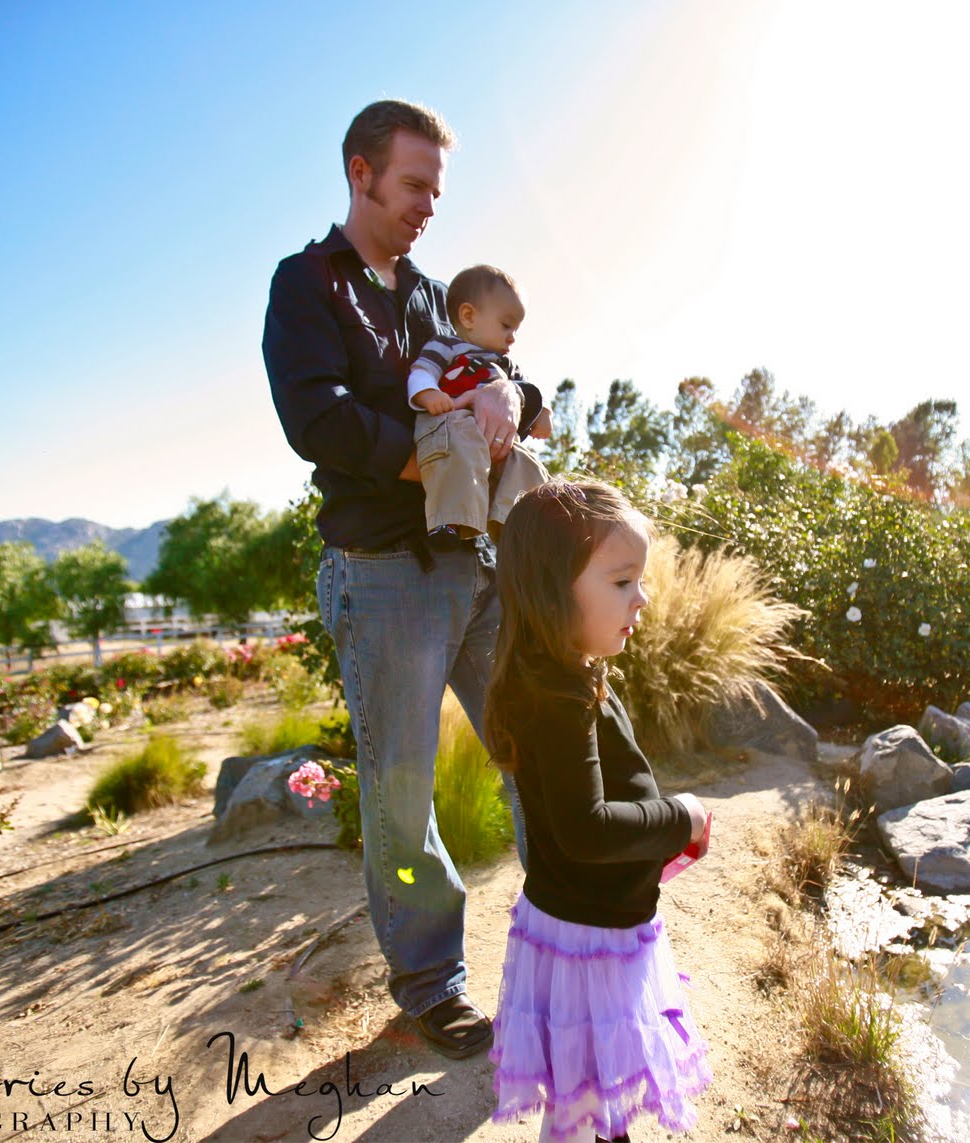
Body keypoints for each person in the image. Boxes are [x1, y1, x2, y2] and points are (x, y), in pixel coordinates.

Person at [261, 99, 545, 1060]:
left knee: (538, 743)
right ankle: (433, 985)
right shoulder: (304, 284)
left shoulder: (434, 295)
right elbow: (315, 416)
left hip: (477, 567)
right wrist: (420, 462)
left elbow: (498, 367)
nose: (428, 204)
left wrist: (517, 394)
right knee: (402, 795)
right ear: (360, 172)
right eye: (415, 184)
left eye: (437, 189)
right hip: (382, 573)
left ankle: (570, 938)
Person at [482, 480, 715, 1143]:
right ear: (554, 589)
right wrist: (683, 816)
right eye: (621, 581)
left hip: (586, 918)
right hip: (590, 937)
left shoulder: (565, 670)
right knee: (580, 1104)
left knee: (588, 1097)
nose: (641, 596)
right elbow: (585, 829)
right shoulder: (557, 694)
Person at [406, 263, 554, 545]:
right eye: (506, 325)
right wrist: (428, 394)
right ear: (469, 316)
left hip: (494, 436)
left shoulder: (507, 365)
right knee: (459, 452)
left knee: (525, 462)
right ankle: (449, 521)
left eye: (516, 329)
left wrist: (543, 414)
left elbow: (531, 392)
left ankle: (512, 524)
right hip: (452, 422)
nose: (512, 337)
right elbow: (422, 371)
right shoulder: (446, 346)